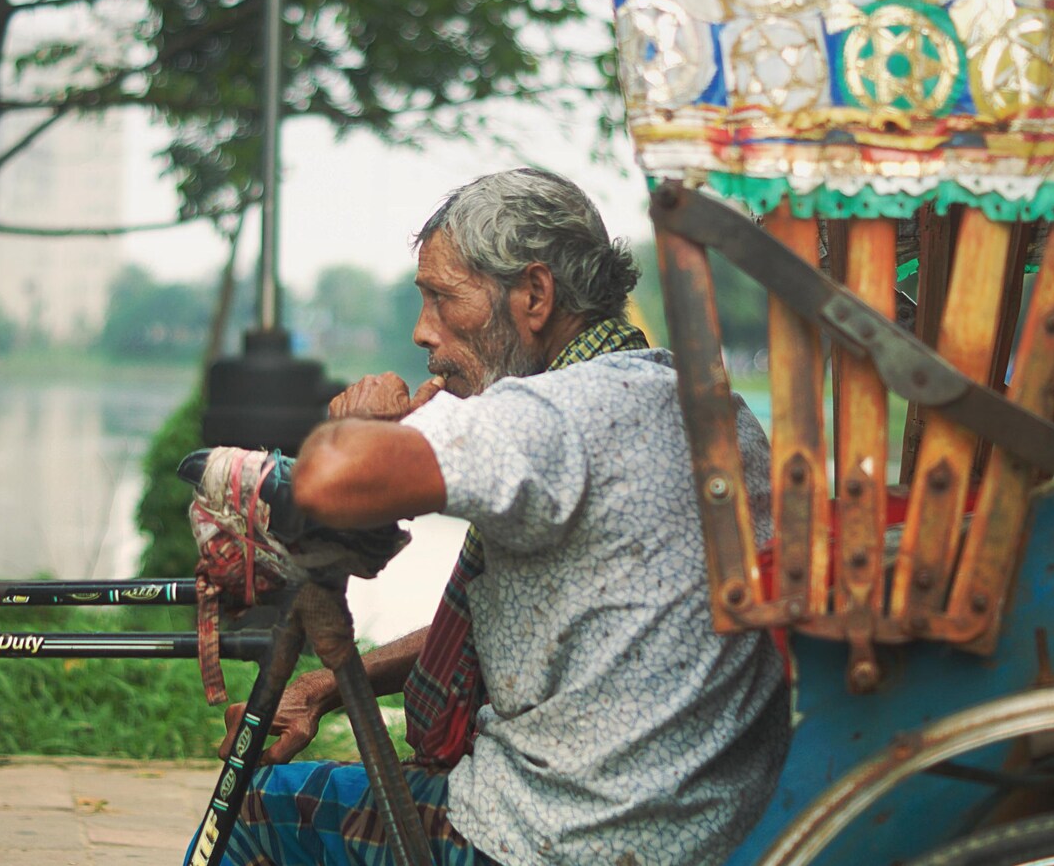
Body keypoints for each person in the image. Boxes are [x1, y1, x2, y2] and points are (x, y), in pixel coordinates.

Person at [198, 169, 789, 866]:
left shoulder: (552, 415)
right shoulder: (700, 399)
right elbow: (549, 612)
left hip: (561, 840)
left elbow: (327, 479)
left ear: (534, 295)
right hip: (688, 822)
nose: (424, 331)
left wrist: (359, 429)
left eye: (443, 299)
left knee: (258, 805)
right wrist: (324, 686)